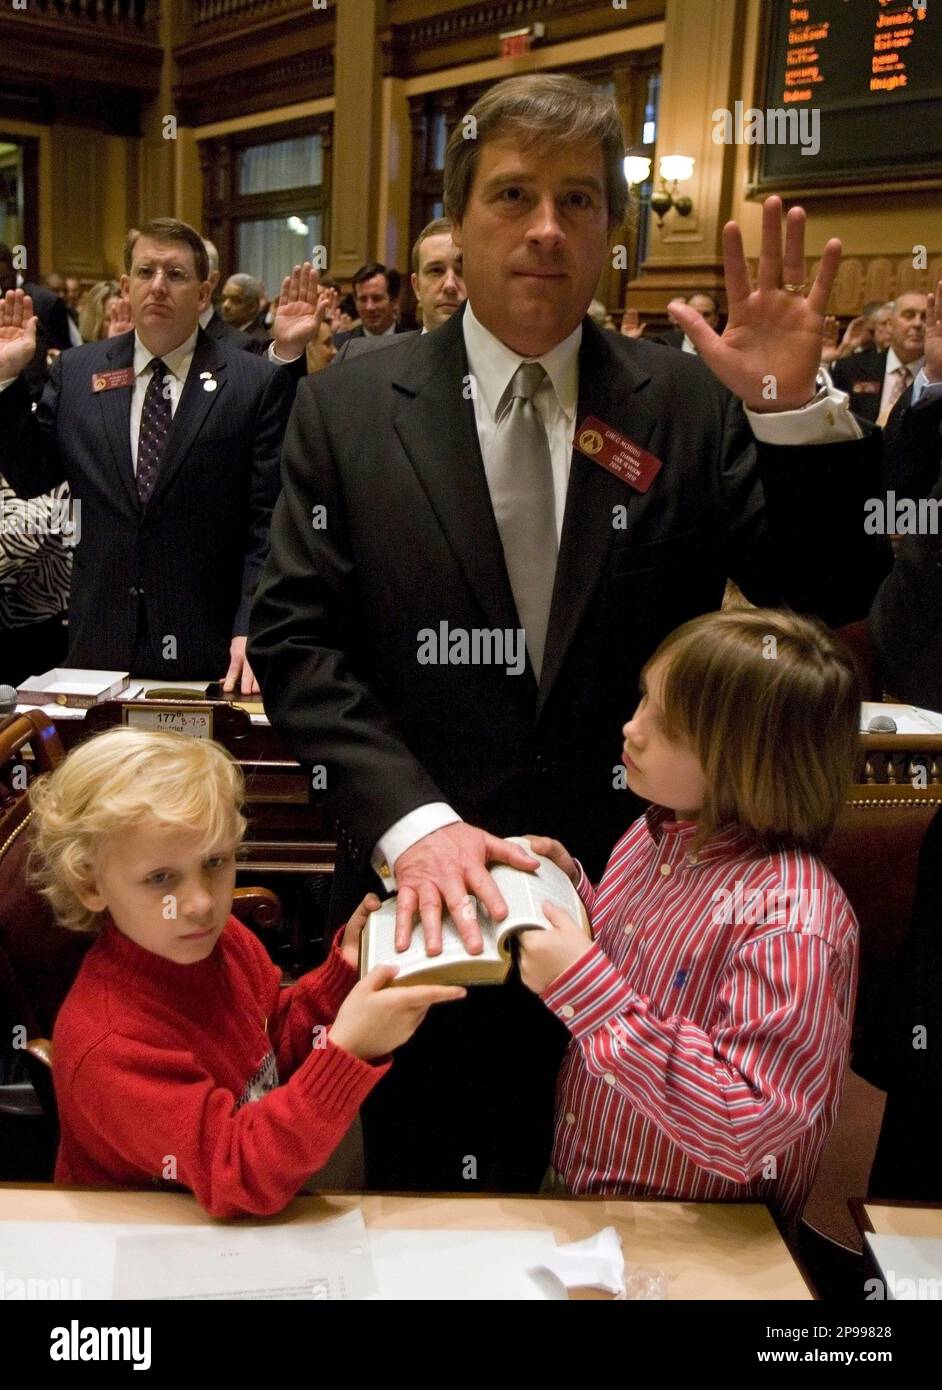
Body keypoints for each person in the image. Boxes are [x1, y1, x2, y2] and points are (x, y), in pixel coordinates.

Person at [248, 73, 889, 1193]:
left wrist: (792, 413)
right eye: (513, 196)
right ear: (456, 224)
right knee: (426, 1231)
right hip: (427, 908)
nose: (546, 228)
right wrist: (419, 824)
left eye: (579, 201)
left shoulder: (684, 404)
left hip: (644, 930)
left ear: (613, 234)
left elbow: (821, 593)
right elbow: (299, 641)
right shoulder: (350, 404)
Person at [28, 726, 465, 1219]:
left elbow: (269, 1040)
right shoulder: (111, 1043)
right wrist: (348, 1052)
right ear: (90, 886)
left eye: (215, 861)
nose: (199, 903)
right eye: (160, 878)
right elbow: (237, 1175)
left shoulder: (220, 941)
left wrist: (344, 971)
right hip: (153, 1237)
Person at [516, 608, 860, 1222]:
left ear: (752, 760)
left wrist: (582, 991)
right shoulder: (656, 832)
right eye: (643, 698)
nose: (632, 728)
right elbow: (640, 961)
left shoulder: (794, 920)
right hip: (584, 1185)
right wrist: (572, 886)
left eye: (667, 725)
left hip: (702, 1236)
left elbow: (748, 1129)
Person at [0, 218, 298, 692]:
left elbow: (268, 519)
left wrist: (251, 624)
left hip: (209, 641)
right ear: (125, 286)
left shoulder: (252, 382)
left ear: (204, 294)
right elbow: (33, 474)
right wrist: (8, 382)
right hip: (100, 641)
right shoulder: (78, 372)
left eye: (175, 275)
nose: (158, 286)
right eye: (145, 273)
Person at [832, 292, 927, 426]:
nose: (917, 324)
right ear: (890, 324)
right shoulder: (851, 368)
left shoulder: (937, 377)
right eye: (909, 315)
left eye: (925, 317)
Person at [332, 263, 408, 345]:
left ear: (395, 301)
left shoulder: (412, 343)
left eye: (377, 299)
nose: (369, 307)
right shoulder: (340, 345)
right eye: (363, 299)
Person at [653, 290, 720, 351]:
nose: (700, 320)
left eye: (706, 315)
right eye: (695, 313)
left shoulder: (724, 349)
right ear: (684, 317)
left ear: (716, 320)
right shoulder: (663, 344)